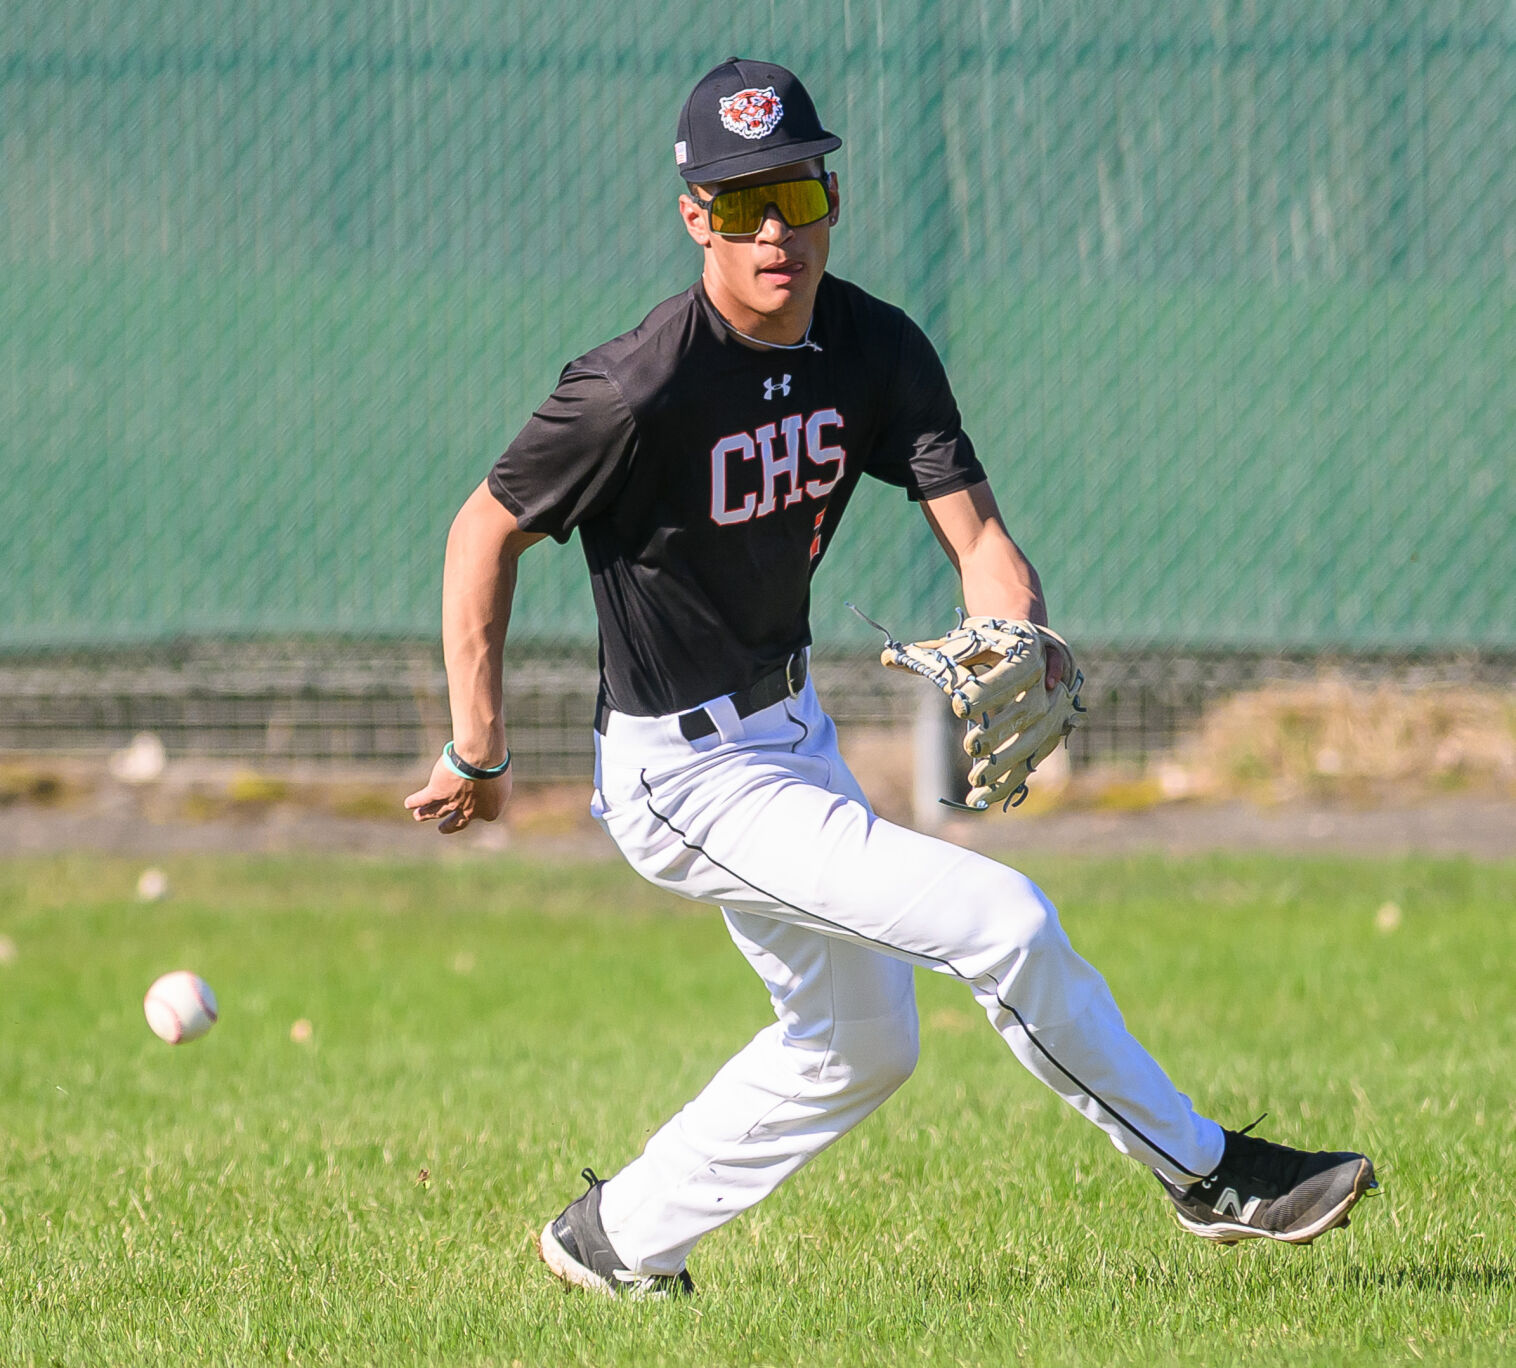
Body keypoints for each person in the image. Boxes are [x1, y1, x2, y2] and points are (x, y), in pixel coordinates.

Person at [404, 58, 1376, 1298]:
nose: (775, 231)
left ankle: (616, 1241)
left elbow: (980, 542)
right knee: (1003, 922)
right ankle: (1207, 1174)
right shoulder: (636, 386)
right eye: (742, 203)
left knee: (858, 1043)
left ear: (833, 199)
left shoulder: (871, 347)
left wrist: (1015, 629)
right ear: (695, 216)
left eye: (797, 194)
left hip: (789, 732)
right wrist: (477, 746)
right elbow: (481, 531)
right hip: (683, 775)